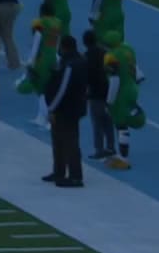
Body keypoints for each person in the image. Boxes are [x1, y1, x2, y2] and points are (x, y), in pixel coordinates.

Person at [43, 34, 88, 188]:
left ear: (63, 47)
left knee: (68, 142)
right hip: (73, 107)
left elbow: (62, 89)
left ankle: (75, 176)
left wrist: (51, 108)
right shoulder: (80, 61)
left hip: (65, 109)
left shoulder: (69, 65)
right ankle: (59, 172)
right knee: (60, 141)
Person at [103, 30, 146, 170]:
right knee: (124, 121)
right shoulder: (128, 49)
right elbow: (136, 70)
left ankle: (123, 158)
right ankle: (122, 155)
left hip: (121, 92)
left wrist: (109, 101)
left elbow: (114, 79)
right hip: (132, 87)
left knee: (121, 124)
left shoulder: (111, 56)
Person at [17, 2, 64, 129]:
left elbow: (36, 44)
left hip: (41, 60)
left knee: (41, 90)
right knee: (47, 89)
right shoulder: (58, 24)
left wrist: (30, 62)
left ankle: (47, 119)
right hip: (52, 58)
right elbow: (57, 43)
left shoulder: (40, 24)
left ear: (42, 12)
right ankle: (40, 117)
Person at [84, 29, 114, 159]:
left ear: (85, 42)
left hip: (95, 91)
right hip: (107, 89)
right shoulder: (104, 52)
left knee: (97, 122)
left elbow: (86, 75)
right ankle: (111, 147)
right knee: (107, 120)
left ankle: (99, 149)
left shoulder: (86, 56)